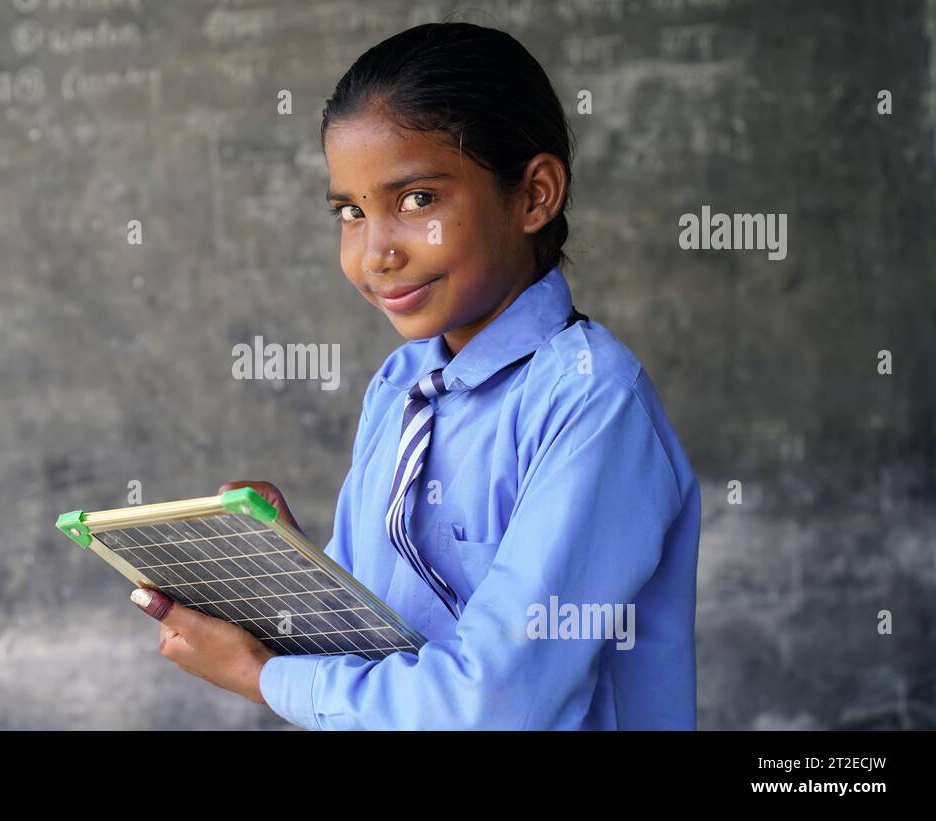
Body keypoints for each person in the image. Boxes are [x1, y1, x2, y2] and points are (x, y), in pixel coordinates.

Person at [129, 21, 701, 730]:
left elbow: (491, 703)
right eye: (350, 211)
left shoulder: (590, 400)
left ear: (534, 195)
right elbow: (379, 644)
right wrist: (284, 581)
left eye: (418, 201)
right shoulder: (402, 385)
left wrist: (260, 674)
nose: (375, 253)